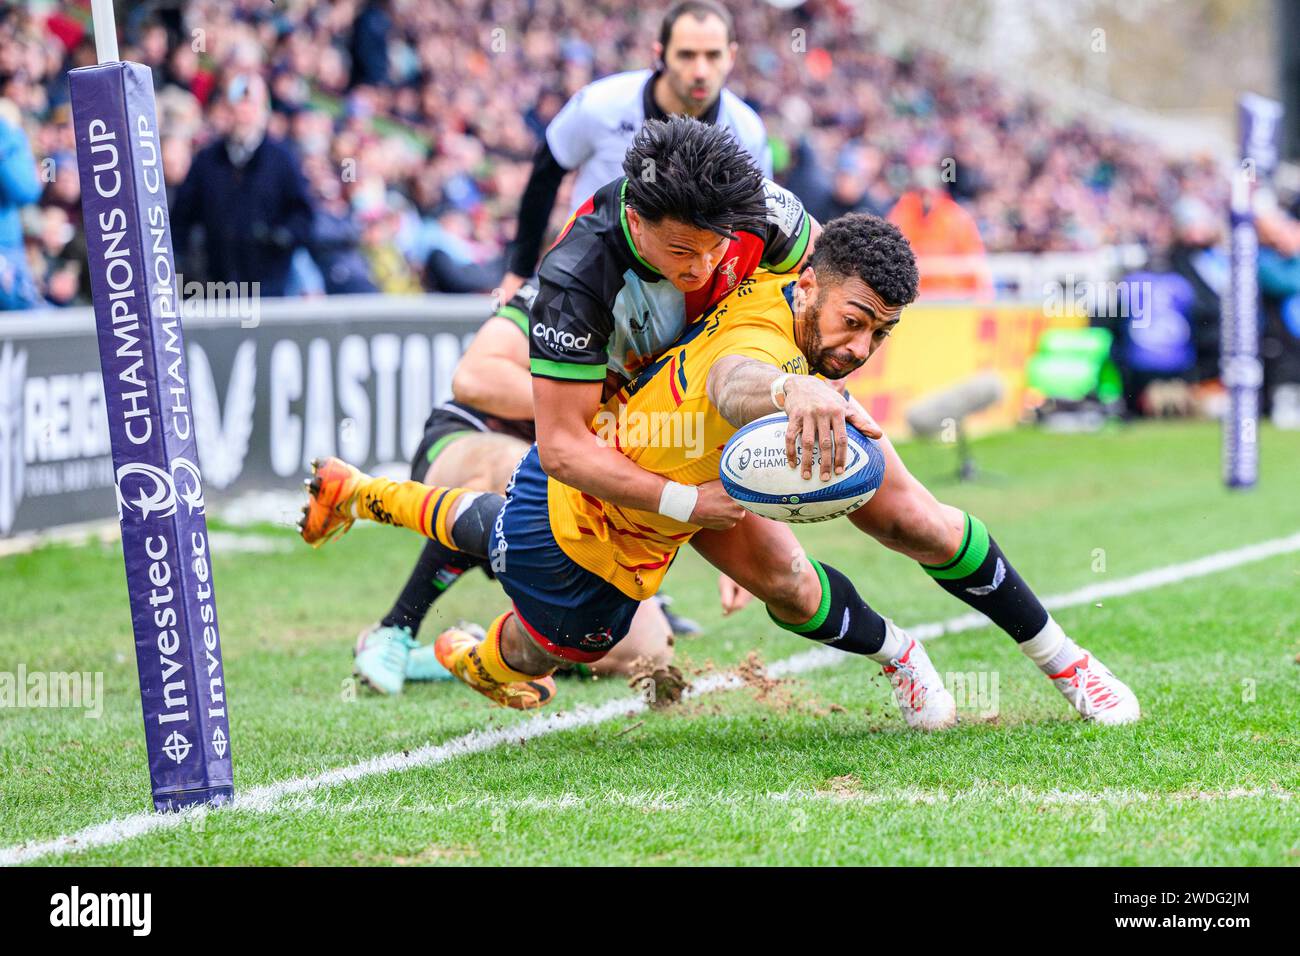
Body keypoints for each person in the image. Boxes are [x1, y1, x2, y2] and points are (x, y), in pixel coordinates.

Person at [300, 214, 1140, 728]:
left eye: (879, 335)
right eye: (855, 324)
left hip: (706, 469)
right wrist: (787, 389)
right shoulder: (580, 278)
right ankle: (457, 638)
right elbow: (736, 377)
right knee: (551, 639)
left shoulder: (770, 245)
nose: (860, 349)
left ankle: (1055, 662)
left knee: (885, 537)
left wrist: (807, 388)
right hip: (613, 487)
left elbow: (776, 331)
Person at [348, 284, 674, 694]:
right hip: (473, 441)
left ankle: (476, 650)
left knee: (649, 652)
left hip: (580, 490)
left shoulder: (687, 305)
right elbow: (472, 378)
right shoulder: (572, 284)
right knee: (517, 471)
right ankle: (395, 628)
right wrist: (573, 408)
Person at [497, 0, 771, 305]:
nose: (700, 71)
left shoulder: (747, 131)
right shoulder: (600, 104)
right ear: (660, 55)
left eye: (713, 55)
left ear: (731, 56)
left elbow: (755, 224)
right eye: (686, 55)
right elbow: (545, 174)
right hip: (591, 278)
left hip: (689, 296)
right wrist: (518, 271)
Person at [170, 73, 314, 297]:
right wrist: (186, 262)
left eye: (251, 106)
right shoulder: (207, 161)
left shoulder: (282, 159)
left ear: (263, 111)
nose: (243, 114)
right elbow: (182, 218)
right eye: (237, 106)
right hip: (217, 284)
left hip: (269, 285)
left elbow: (302, 215)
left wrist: (282, 237)